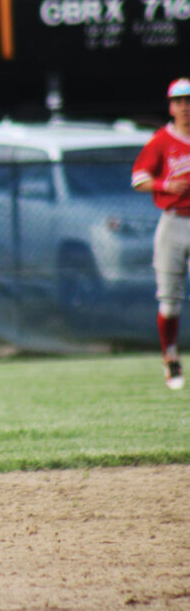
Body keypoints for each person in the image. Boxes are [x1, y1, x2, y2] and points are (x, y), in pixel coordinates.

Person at [131, 76, 190, 390]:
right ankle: (170, 356)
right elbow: (139, 179)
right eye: (179, 101)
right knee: (169, 302)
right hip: (173, 221)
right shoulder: (161, 141)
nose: (185, 107)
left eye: (189, 101)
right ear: (171, 106)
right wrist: (165, 184)